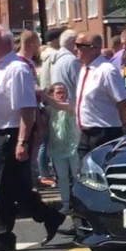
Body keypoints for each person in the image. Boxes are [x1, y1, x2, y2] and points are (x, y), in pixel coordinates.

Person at [0, 24, 63, 251]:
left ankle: (3, 235)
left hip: (13, 134)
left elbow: (26, 109)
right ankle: (50, 216)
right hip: (0, 133)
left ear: (7, 43)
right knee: (17, 188)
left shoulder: (17, 69)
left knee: (3, 189)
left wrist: (23, 142)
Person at [71, 33, 126, 158]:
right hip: (85, 132)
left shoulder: (107, 71)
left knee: (100, 170)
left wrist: (123, 125)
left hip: (104, 132)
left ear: (94, 48)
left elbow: (123, 102)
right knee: (84, 170)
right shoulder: (84, 69)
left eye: (80, 46)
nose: (75, 49)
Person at [43, 82, 79, 214]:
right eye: (58, 92)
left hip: (73, 145)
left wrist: (44, 95)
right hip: (57, 146)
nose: (62, 95)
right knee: (62, 176)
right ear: (52, 94)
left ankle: (79, 202)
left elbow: (60, 106)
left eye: (63, 92)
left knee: (77, 175)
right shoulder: (48, 109)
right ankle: (65, 203)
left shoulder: (70, 105)